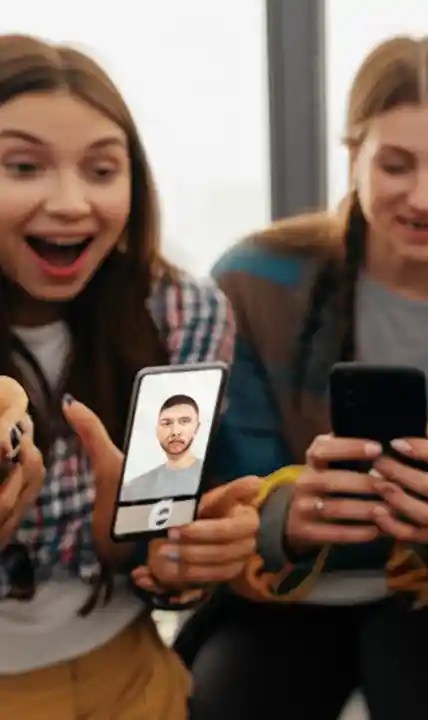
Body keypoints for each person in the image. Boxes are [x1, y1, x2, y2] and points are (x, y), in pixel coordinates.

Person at [175, 35, 428, 720]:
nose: (423, 197)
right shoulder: (252, 280)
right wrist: (288, 514)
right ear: (352, 157)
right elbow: (217, 484)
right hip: (280, 598)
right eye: (395, 165)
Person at [0, 34, 261, 718]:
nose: (69, 202)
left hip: (132, 677)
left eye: (101, 169)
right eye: (22, 166)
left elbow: (156, 560)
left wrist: (173, 554)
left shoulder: (183, 314)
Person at [119, 393, 203, 502]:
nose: (175, 432)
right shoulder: (134, 489)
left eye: (184, 422)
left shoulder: (213, 478)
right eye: (167, 423)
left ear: (197, 427)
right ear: (157, 430)